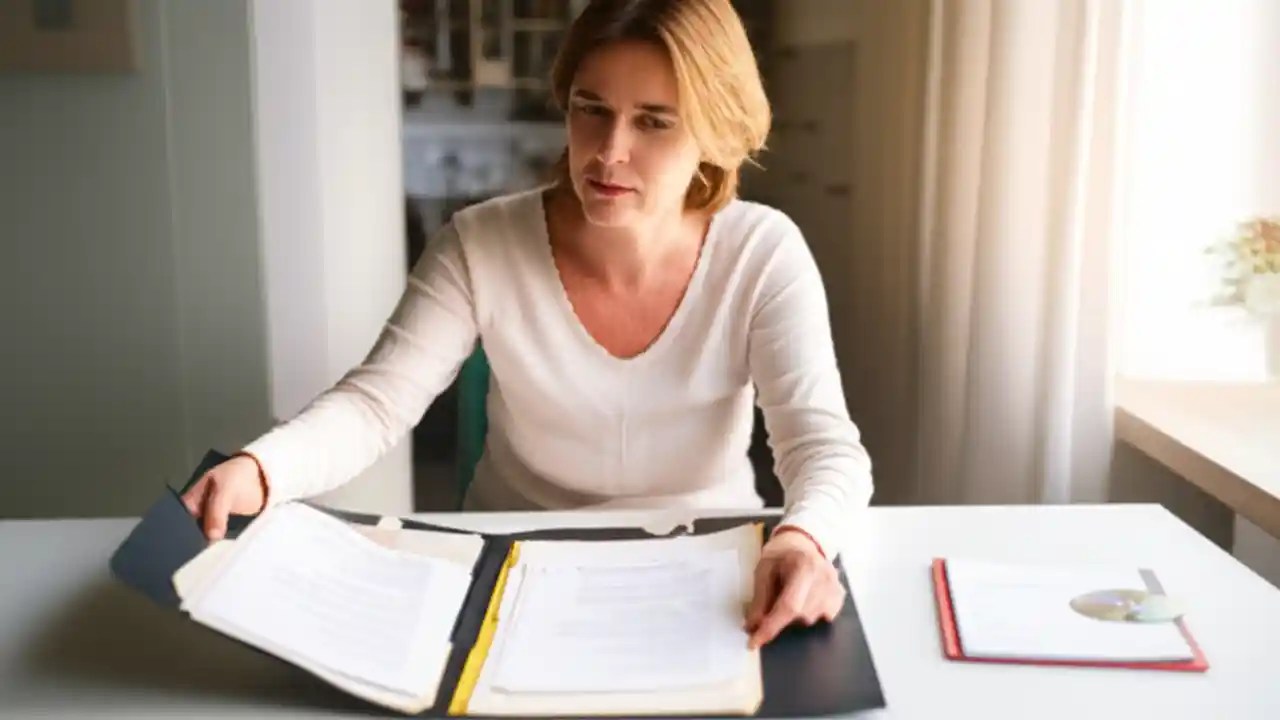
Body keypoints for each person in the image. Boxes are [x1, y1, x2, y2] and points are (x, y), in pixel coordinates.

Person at [182, 0, 873, 650]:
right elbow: (375, 404)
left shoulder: (761, 252)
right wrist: (262, 467)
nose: (609, 151)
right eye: (590, 110)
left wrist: (803, 539)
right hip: (512, 571)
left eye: (654, 121)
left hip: (708, 569)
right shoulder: (480, 242)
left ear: (717, 132)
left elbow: (823, 445)